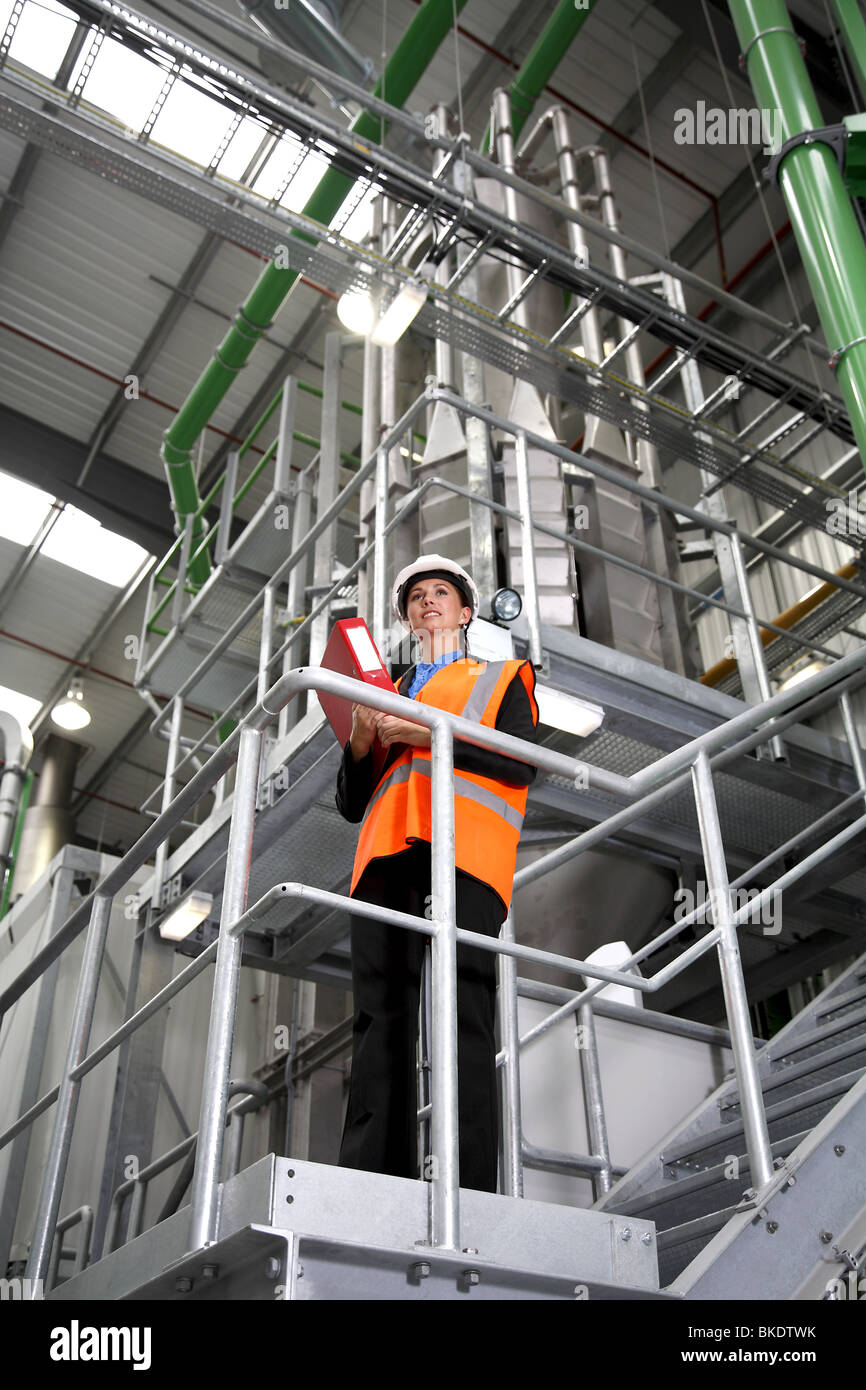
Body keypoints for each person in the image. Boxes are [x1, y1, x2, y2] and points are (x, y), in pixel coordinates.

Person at [334, 553, 539, 1192]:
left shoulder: (506, 674)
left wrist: (422, 730)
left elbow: (520, 762)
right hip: (386, 859)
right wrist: (364, 742)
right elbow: (349, 802)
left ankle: (470, 1187)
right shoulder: (379, 691)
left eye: (441, 593)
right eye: (417, 596)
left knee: (463, 1015)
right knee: (379, 1019)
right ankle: (375, 1181)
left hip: (466, 857)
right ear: (406, 618)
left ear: (466, 612)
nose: (428, 601)